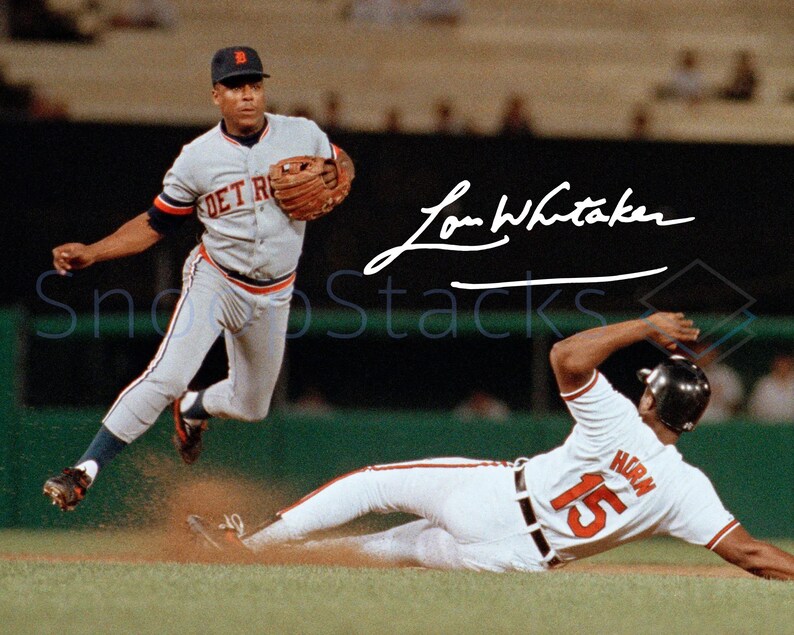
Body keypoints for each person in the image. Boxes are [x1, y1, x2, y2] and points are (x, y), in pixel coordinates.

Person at [189, 313, 794, 578]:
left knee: (374, 483)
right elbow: (753, 556)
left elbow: (565, 356)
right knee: (394, 547)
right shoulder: (689, 488)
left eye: (647, 389)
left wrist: (642, 327)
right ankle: (265, 556)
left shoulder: (619, 421)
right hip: (515, 563)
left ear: (652, 401)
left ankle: (251, 544)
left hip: (497, 500)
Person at [43, 46, 355, 512]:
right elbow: (155, 224)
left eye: (254, 85)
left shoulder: (302, 133)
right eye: (235, 87)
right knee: (167, 375)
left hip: (274, 292)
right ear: (216, 96)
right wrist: (94, 251)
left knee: (253, 406)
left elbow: (341, 163)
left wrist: (337, 176)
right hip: (216, 280)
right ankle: (84, 470)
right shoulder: (198, 158)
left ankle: (195, 408)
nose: (247, 95)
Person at [748, 354, 794, 423]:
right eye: (781, 364)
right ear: (775, 365)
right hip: (768, 426)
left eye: (786, 364)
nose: (783, 367)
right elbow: (753, 408)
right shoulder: (764, 383)